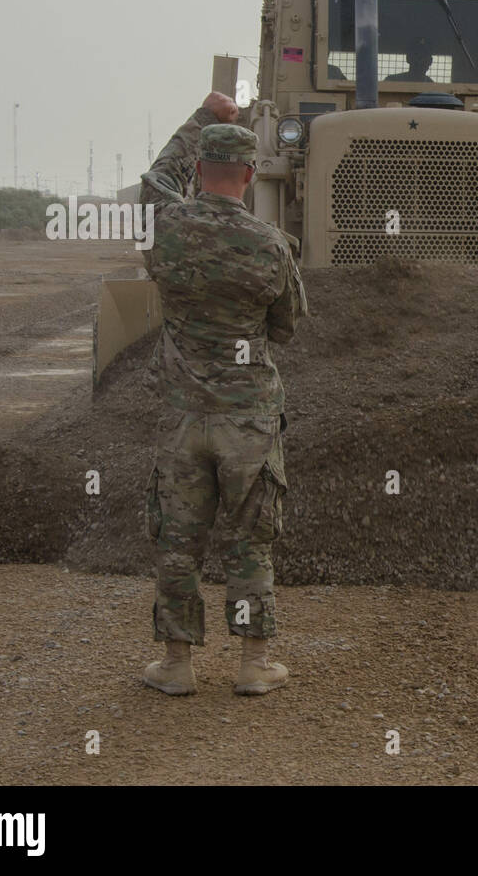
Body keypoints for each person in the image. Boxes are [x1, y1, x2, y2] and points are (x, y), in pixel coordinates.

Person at [138, 91, 308, 696]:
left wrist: (205, 116)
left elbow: (156, 176)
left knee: (178, 542)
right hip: (248, 420)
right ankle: (253, 665)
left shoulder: (167, 227)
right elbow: (286, 327)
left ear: (199, 171)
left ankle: (177, 666)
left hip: (183, 416)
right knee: (250, 541)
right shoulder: (270, 245)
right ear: (250, 173)